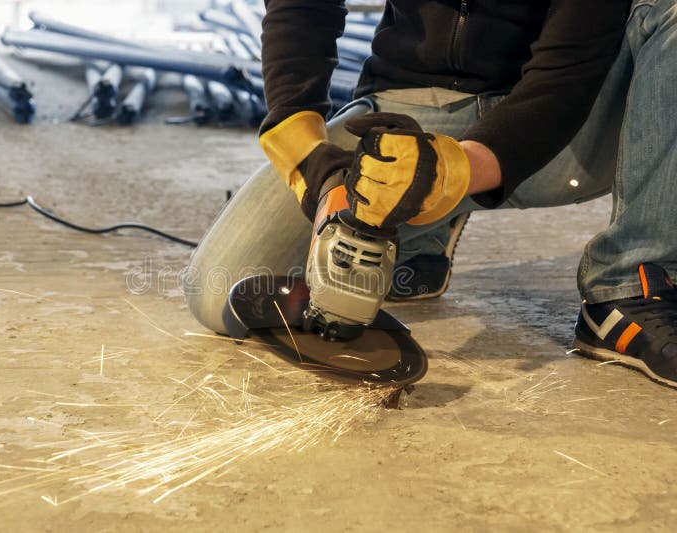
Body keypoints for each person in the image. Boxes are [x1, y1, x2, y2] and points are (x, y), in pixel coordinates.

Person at [184, 0, 677, 389]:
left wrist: (461, 168)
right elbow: (303, 6)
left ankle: (626, 287)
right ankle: (420, 236)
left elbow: (569, 71)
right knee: (218, 293)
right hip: (417, 106)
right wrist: (311, 162)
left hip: (578, 121)